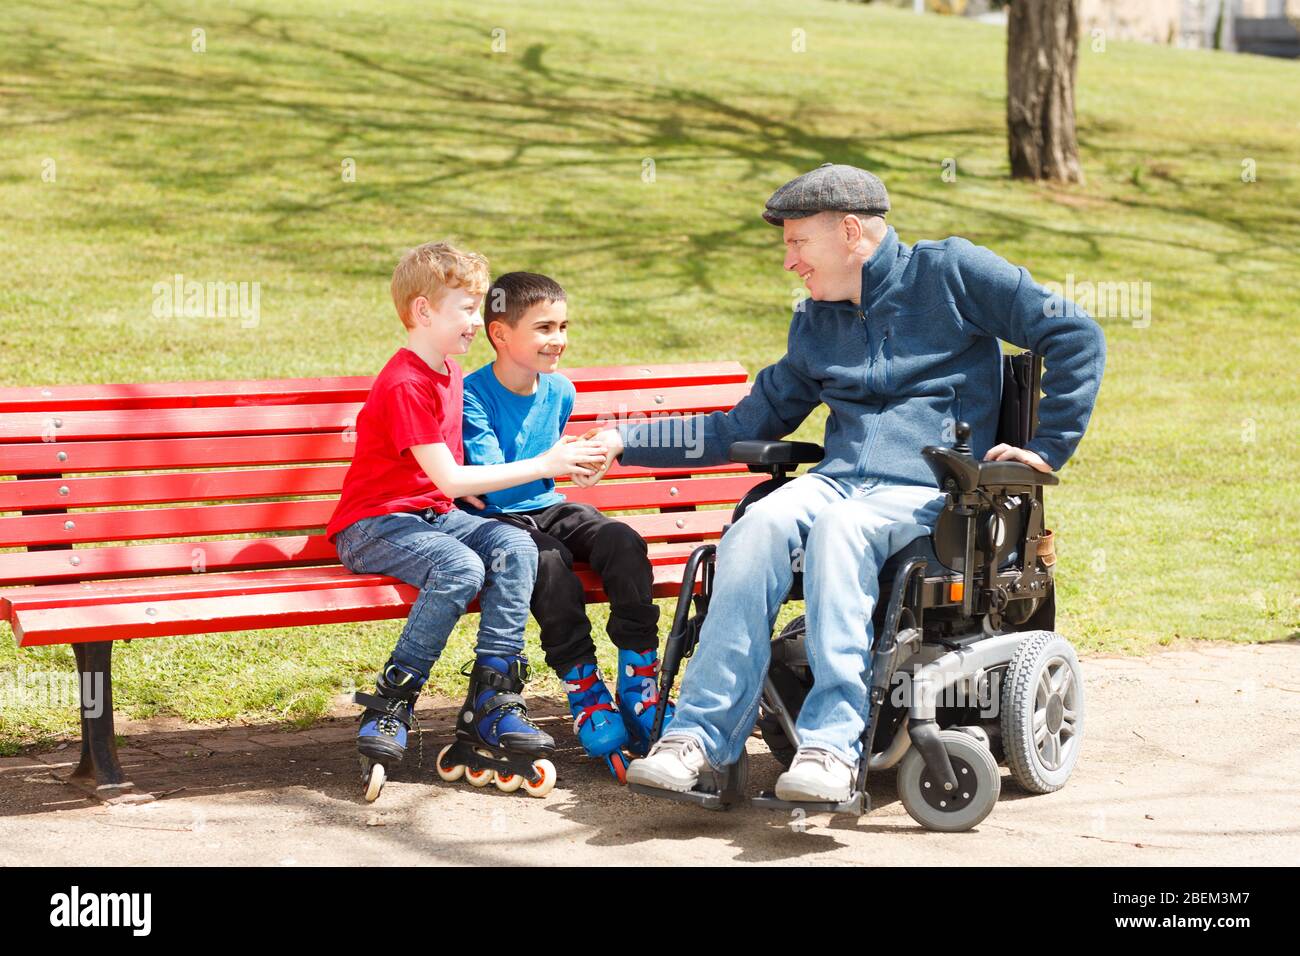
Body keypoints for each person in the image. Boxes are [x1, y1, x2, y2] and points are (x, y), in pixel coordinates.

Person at [589, 164, 1106, 803]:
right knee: (759, 525)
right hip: (837, 483)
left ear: (850, 232)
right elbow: (746, 423)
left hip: (933, 493)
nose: (789, 262)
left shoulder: (951, 273)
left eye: (797, 242)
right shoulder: (817, 321)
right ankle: (698, 738)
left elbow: (1076, 332)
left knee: (841, 529)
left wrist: (1044, 449)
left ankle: (832, 746)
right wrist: (624, 440)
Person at [325, 242, 607, 799]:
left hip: (430, 515)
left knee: (516, 546)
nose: (476, 322)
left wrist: (547, 461)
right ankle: (394, 700)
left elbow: (456, 475)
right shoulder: (406, 382)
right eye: (465, 308)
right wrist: (544, 464)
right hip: (374, 525)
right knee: (458, 568)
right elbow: (451, 478)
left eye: (479, 308)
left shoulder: (448, 372)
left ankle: (493, 697)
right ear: (423, 311)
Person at [461, 271, 673, 781]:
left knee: (621, 539)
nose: (558, 338)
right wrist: (557, 460)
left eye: (563, 325)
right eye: (543, 328)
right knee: (550, 560)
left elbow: (555, 467)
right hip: (502, 520)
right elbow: (495, 486)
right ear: (500, 334)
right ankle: (584, 688)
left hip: (550, 504)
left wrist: (586, 461)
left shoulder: (560, 390)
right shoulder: (472, 395)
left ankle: (639, 674)